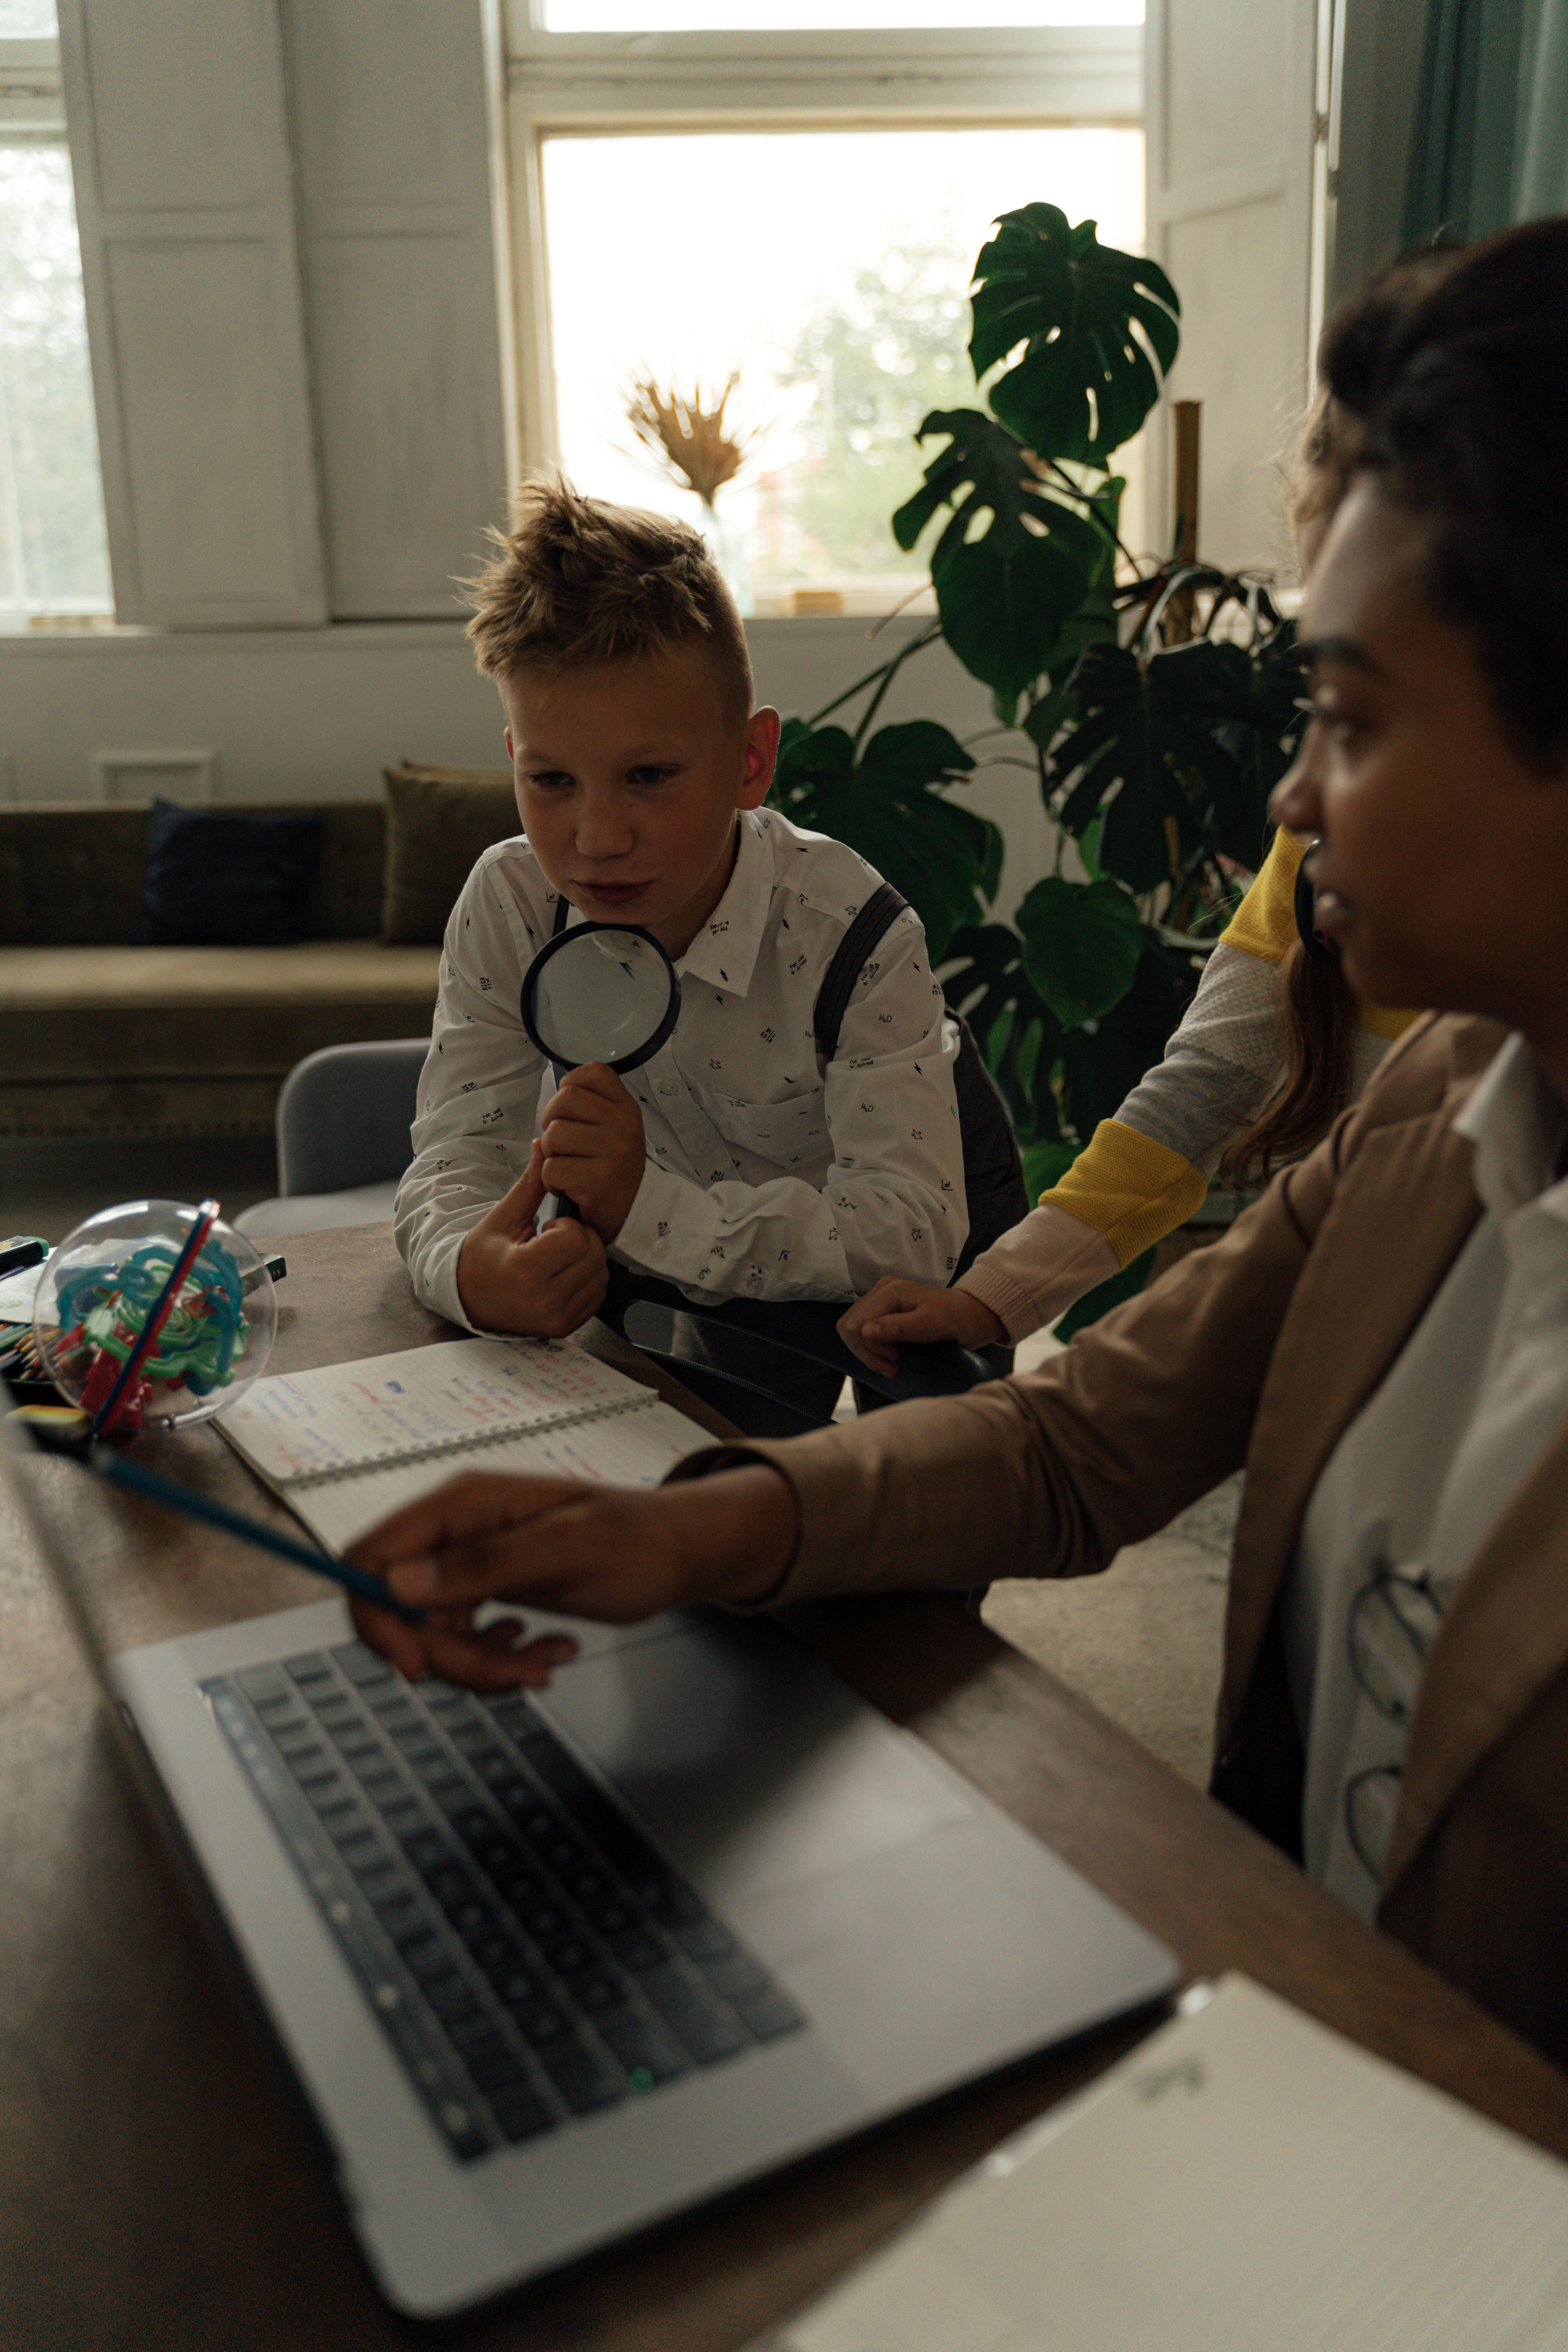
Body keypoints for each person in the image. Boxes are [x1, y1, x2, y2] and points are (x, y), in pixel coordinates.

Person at [351, 221, 1568, 2068]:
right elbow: (1079, 1436)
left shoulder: (860, 933)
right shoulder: (1433, 1117)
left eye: (1344, 715)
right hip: (1292, 2061)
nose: (1284, 792)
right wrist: (675, 1532)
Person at [839, 259, 1455, 1377]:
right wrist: (991, 1300)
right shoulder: (1320, 838)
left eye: (1376, 707)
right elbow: (1207, 1090)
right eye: (1323, 699)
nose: (1296, 795)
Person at [394, 478, 969, 1345]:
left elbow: (913, 1232)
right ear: (513, 759)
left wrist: (650, 1210)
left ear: (751, 758)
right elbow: (454, 1157)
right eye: (550, 781)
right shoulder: (510, 901)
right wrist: (467, 1273)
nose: (595, 840)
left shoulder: (851, 935)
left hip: (856, 1283)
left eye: (649, 777)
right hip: (659, 1269)